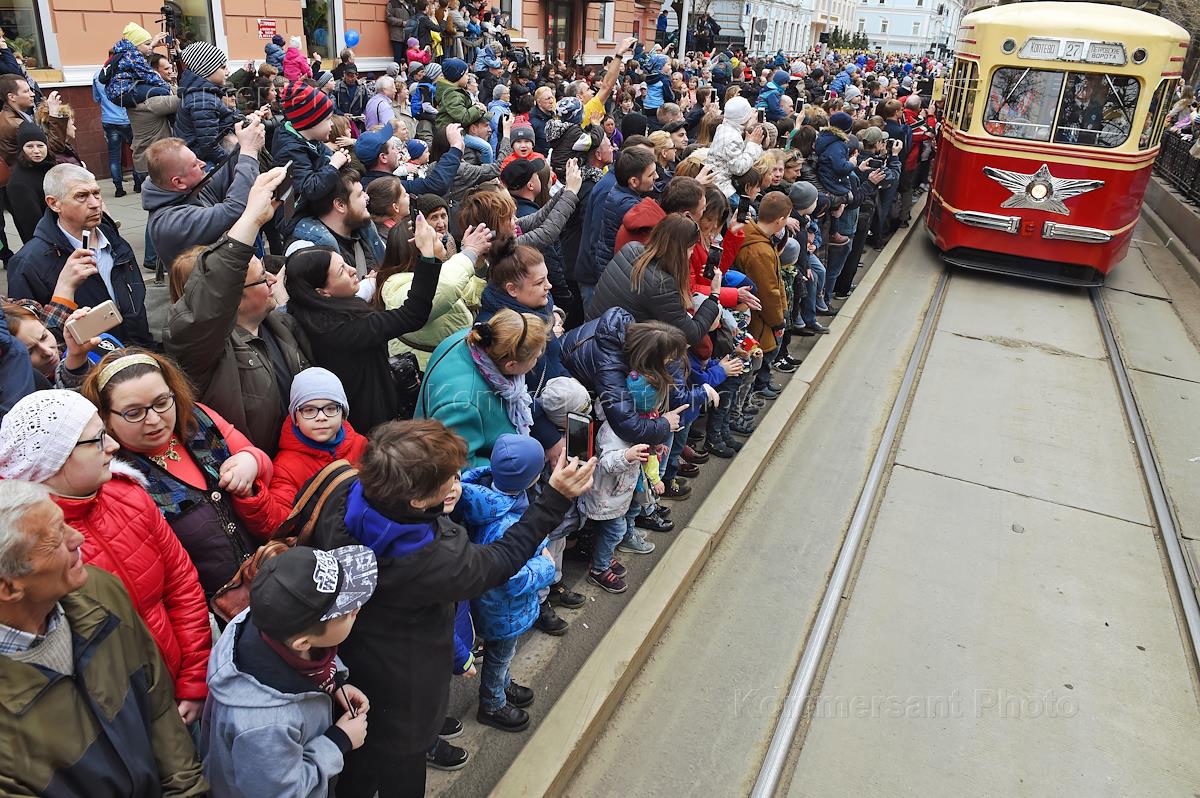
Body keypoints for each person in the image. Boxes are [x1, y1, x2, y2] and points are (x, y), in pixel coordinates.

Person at [306, 418, 595, 798]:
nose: (454, 482)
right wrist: (554, 498)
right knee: (401, 769)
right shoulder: (432, 561)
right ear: (416, 500)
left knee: (364, 759)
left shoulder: (348, 495)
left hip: (357, 663)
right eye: (447, 479)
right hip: (406, 688)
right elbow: (500, 560)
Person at [0, 389, 212, 724]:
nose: (112, 447)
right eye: (97, 439)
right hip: (117, 723)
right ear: (55, 458)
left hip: (182, 694)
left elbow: (181, 585)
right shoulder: (26, 547)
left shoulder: (128, 495)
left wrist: (195, 677)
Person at [0, 479, 208, 796]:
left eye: (64, 524)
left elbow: (157, 703)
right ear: (8, 587)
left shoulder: (98, 590)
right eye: (54, 540)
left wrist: (187, 791)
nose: (78, 538)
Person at [80, 349, 279, 598]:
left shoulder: (198, 420)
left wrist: (252, 460)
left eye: (162, 402)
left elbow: (264, 466)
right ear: (106, 419)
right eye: (134, 412)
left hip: (272, 578)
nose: (153, 419)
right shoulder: (116, 476)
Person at [200, 545, 377, 797]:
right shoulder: (264, 725)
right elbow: (281, 792)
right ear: (303, 642)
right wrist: (338, 742)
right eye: (347, 612)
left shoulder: (260, 620)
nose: (357, 608)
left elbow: (314, 657)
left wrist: (333, 683)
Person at [164, 169, 312, 455]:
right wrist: (251, 220)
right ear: (230, 296)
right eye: (261, 277)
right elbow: (209, 299)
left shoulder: (279, 325)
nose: (272, 279)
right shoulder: (202, 348)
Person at [284, 228, 438, 433]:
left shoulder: (314, 313)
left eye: (345, 263)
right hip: (372, 430)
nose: (353, 270)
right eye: (341, 271)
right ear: (322, 292)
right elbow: (413, 314)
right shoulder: (340, 330)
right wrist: (428, 255)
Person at [458, 434, 556, 731]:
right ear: (529, 479)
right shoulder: (506, 523)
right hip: (503, 609)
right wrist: (546, 566)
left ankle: (502, 683)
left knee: (501, 654)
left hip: (489, 602)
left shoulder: (483, 494)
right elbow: (510, 577)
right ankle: (493, 703)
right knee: (500, 654)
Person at [7, 164, 151, 346]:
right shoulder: (28, 263)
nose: (95, 204)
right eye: (81, 196)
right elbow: (30, 340)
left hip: (135, 355)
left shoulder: (113, 239)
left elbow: (135, 305)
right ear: (54, 203)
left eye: (96, 193)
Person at [416, 308, 547, 466]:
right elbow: (456, 465)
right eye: (535, 357)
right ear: (511, 365)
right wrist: (515, 470)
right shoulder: (463, 404)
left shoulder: (473, 338)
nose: (538, 358)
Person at [142, 121, 263, 272]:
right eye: (194, 165)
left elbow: (227, 172)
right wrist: (249, 150)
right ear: (178, 182)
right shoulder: (172, 221)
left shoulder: (185, 192)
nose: (203, 164)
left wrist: (246, 136)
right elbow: (235, 209)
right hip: (208, 293)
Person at [560, 308, 690, 447]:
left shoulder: (628, 332)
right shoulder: (609, 367)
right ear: (652, 357)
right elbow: (627, 425)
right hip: (566, 394)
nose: (669, 363)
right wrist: (664, 424)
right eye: (668, 358)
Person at [591, 213, 724, 347]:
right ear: (679, 251)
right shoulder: (662, 284)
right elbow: (692, 335)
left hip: (592, 331)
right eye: (690, 249)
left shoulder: (631, 248)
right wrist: (714, 295)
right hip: (610, 349)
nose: (692, 253)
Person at [374, 217, 490, 368]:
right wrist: (469, 253)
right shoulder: (394, 284)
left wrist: (478, 262)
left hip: (450, 362)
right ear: (419, 248)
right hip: (427, 369)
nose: (442, 236)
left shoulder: (442, 271)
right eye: (434, 237)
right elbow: (447, 288)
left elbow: (467, 294)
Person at [290, 167, 386, 275]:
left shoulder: (366, 231)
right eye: (359, 194)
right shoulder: (312, 253)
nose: (366, 197)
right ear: (340, 205)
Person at [174, 41, 237, 165]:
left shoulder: (204, 94)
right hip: (203, 162)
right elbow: (209, 145)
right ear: (207, 70)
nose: (228, 72)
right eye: (223, 67)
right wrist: (231, 162)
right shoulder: (202, 99)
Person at [5, 121, 52, 243]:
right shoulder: (19, 182)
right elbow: (31, 224)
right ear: (22, 149)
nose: (36, 151)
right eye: (30, 146)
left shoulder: (50, 168)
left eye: (40, 145)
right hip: (46, 243)